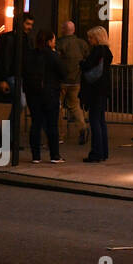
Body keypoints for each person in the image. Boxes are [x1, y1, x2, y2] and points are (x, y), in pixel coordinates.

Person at [24, 30, 67, 164]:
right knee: (52, 125)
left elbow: (25, 71)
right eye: (53, 40)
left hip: (33, 94)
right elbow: (63, 72)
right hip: (50, 93)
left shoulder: (31, 54)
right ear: (49, 41)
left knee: (36, 124)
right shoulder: (52, 55)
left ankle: (35, 156)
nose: (55, 42)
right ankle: (54, 155)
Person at [80, 26, 114, 163]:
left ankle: (96, 153)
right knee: (101, 121)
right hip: (104, 89)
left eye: (91, 37)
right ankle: (104, 151)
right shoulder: (107, 52)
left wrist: (81, 63)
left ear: (97, 38)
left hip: (95, 90)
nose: (89, 40)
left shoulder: (97, 51)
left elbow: (87, 65)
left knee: (94, 121)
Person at [56, 20, 90, 146]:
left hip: (61, 81)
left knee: (57, 107)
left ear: (64, 30)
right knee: (75, 106)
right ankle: (82, 127)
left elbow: (56, 61)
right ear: (74, 30)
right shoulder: (82, 43)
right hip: (76, 80)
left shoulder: (60, 43)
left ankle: (59, 134)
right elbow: (87, 58)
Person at [0, 15, 35, 97]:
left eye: (31, 25)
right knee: (21, 102)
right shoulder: (7, 38)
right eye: (28, 24)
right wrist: (1, 79)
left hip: (21, 77)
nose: (30, 27)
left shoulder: (28, 40)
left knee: (19, 103)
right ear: (20, 24)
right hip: (11, 76)